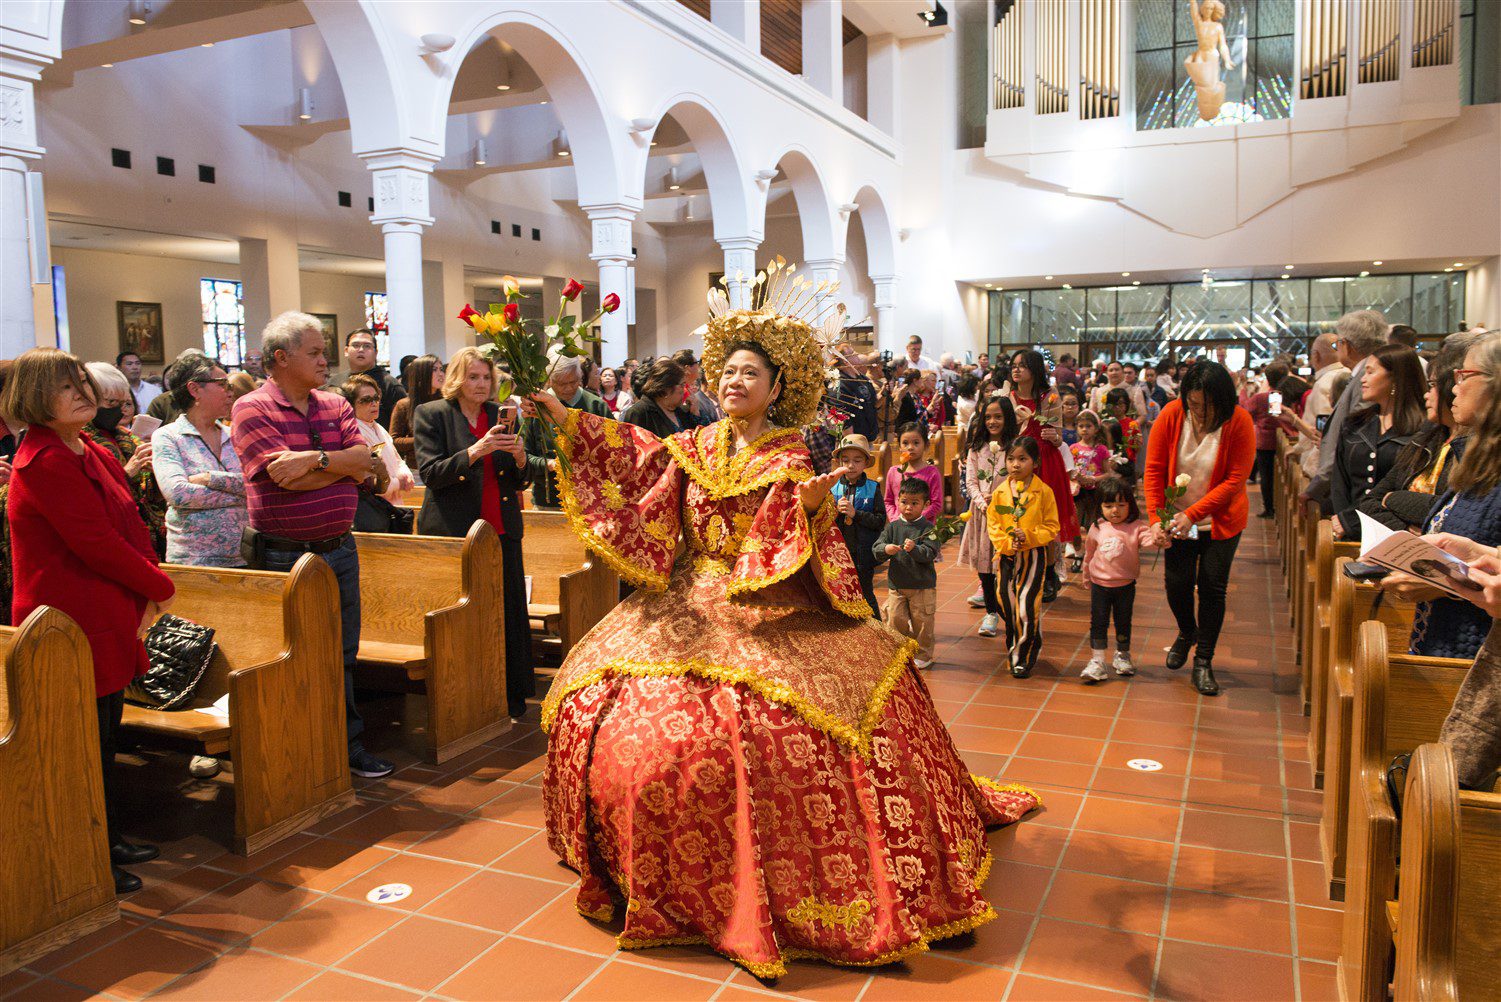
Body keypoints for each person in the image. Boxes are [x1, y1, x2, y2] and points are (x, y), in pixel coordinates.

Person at [528, 301, 1038, 975]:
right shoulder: (691, 445)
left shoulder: (791, 454)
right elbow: (634, 457)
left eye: (750, 373)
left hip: (769, 605)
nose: (735, 382)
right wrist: (565, 419)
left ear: (775, 388)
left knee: (814, 725)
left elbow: (802, 538)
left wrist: (810, 508)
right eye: (728, 371)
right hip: (683, 601)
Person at [5, 348, 177, 895]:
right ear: (34, 398)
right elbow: (93, 543)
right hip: (66, 618)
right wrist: (158, 584)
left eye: (81, 381)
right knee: (79, 742)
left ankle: (109, 837)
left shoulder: (91, 449)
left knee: (105, 734)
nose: (82, 392)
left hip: (105, 611)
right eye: (65, 386)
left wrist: (145, 577)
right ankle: (88, 852)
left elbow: (127, 520)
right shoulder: (45, 461)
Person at [230, 311, 391, 779]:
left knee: (342, 652)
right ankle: (298, 754)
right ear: (281, 358)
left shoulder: (334, 405)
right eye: (316, 352)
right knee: (292, 656)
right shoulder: (252, 409)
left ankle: (347, 747)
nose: (326, 360)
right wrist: (340, 465)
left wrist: (316, 459)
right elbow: (285, 482)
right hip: (284, 552)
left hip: (339, 547)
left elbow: (364, 461)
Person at [412, 346, 534, 721]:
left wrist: (519, 458)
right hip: (457, 530)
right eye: (473, 377)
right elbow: (431, 474)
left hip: (501, 526)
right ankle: (468, 697)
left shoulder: (500, 415)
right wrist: (475, 451)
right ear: (456, 380)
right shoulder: (432, 414)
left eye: (487, 378)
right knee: (465, 617)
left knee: (509, 612)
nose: (481, 385)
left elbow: (520, 479)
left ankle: (513, 697)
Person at [1378, 332, 1501, 662]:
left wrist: (1449, 585)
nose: (1454, 387)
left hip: (1478, 655)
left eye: (1464, 375)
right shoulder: (1475, 459)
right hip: (1446, 639)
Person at [1144, 360, 1255, 696]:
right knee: (1177, 583)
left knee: (1211, 586)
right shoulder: (1171, 415)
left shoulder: (1239, 421)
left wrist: (1194, 514)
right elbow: (1153, 471)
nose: (1200, 412)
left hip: (1218, 521)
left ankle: (1204, 660)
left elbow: (1236, 479)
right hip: (1177, 519)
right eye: (1193, 404)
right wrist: (1156, 520)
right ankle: (1186, 631)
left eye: (1207, 406)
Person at [1337, 332, 1475, 536]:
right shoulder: (1427, 438)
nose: (1427, 394)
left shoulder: (1475, 447)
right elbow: (1371, 501)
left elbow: (1457, 511)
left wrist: (1393, 499)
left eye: (1433, 385)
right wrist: (1404, 530)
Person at [151, 353, 246, 566]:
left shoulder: (232, 435)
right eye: (223, 384)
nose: (231, 392)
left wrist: (208, 478)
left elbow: (255, 485)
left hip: (243, 557)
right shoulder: (168, 437)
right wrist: (241, 493)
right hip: (193, 560)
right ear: (194, 389)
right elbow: (179, 494)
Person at [1329, 344, 1426, 536]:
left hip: (1398, 533)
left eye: (1370, 372)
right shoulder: (1355, 423)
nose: (1363, 380)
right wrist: (1344, 519)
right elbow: (1340, 482)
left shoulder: (1423, 430)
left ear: (1396, 378)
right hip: (1348, 529)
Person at [1004, 350, 1077, 601]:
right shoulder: (1007, 396)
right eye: (1014, 365)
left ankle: (1048, 574)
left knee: (1044, 519)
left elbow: (1057, 435)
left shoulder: (1050, 396)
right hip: (1015, 462)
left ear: (1034, 370)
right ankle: (1020, 570)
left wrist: (1049, 432)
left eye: (1022, 366)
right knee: (1018, 518)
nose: (1016, 370)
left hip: (1044, 461)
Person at [988, 436, 1060, 679]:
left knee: (1027, 605)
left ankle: (1023, 656)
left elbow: (1051, 526)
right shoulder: (1000, 492)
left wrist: (1028, 536)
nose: (1015, 465)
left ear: (1035, 462)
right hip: (1007, 554)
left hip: (1033, 555)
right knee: (1002, 599)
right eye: (1011, 459)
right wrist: (1008, 542)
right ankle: (1026, 632)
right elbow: (994, 524)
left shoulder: (1043, 492)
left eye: (1022, 459)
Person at [1079, 476, 1161, 684]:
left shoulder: (1137, 527)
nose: (1115, 510)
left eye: (1121, 505)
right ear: (1100, 507)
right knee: (1098, 622)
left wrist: (1161, 538)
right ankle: (1097, 661)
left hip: (1125, 586)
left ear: (1130, 505)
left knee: (1123, 621)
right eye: (1108, 505)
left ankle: (1122, 655)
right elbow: (1089, 553)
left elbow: (1150, 541)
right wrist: (1087, 574)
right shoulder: (1097, 527)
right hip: (1100, 585)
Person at [84, 362, 167, 558]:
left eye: (123, 403)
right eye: (111, 403)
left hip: (147, 531)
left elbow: (153, 492)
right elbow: (89, 496)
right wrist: (127, 473)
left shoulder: (127, 436)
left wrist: (154, 471)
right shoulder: (80, 441)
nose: (120, 411)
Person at [1308, 310, 1389, 506]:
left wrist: (1316, 488)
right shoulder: (1361, 373)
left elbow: (1354, 435)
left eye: (1338, 344)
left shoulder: (1366, 378)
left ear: (1348, 346)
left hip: (1354, 489)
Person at [958, 395, 1018, 638]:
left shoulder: (1014, 446)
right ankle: (991, 612)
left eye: (998, 417)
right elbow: (971, 481)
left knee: (1004, 564)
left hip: (1006, 513)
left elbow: (1017, 476)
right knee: (984, 564)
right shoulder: (976, 448)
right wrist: (983, 503)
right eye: (988, 417)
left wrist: (1003, 499)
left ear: (1007, 419)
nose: (993, 421)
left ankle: (1011, 610)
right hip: (982, 512)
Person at [520, 356, 610, 509]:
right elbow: (523, 457)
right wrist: (548, 464)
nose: (569, 388)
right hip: (548, 502)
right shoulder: (534, 410)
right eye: (562, 383)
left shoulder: (596, 406)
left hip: (593, 503)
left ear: (581, 376)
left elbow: (611, 452)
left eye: (574, 382)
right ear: (549, 380)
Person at [872, 477, 940, 669]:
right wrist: (886, 549)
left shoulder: (928, 528)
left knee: (923, 622)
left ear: (925, 504)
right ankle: (900, 650)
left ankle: (924, 654)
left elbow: (930, 552)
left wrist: (915, 549)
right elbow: (877, 547)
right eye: (904, 502)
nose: (908, 507)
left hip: (922, 586)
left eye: (914, 503)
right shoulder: (893, 527)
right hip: (897, 584)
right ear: (897, 501)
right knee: (895, 619)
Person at [341, 374, 415, 534]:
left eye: (376, 398)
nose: (374, 403)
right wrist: (398, 483)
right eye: (366, 400)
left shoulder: (377, 426)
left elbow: (396, 458)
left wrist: (405, 472)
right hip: (374, 511)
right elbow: (367, 481)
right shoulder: (354, 433)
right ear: (351, 405)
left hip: (393, 506)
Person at [829, 434, 885, 618]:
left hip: (863, 553)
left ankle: (879, 633)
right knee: (841, 594)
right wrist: (835, 512)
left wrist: (856, 514)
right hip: (840, 553)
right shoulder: (832, 488)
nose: (851, 465)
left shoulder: (872, 488)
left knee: (866, 593)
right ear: (838, 462)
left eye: (857, 460)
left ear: (866, 463)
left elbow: (879, 521)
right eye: (845, 460)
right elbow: (825, 523)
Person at [332, 328, 406, 428]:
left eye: (367, 346)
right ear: (346, 350)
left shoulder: (390, 385)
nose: (361, 350)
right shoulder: (334, 382)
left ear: (376, 353)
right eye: (355, 345)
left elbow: (402, 425)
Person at [1245, 360, 1291, 519]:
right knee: (1276, 477)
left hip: (1265, 439)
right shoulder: (1289, 393)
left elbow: (1247, 411)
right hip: (1284, 436)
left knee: (1267, 476)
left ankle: (1269, 508)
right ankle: (1275, 506)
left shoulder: (1263, 397)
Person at [388, 354, 444, 470]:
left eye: (441, 369)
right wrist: (423, 438)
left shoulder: (448, 402)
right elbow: (394, 440)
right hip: (417, 468)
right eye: (434, 370)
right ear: (421, 374)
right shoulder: (404, 405)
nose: (441, 374)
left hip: (445, 465)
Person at [883, 421, 942, 522]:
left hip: (923, 527)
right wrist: (895, 519)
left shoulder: (932, 472)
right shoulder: (894, 472)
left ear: (926, 445)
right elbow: (888, 501)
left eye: (916, 443)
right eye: (905, 443)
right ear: (899, 446)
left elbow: (936, 504)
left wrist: (916, 518)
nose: (910, 447)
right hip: (899, 526)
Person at [620, 356, 686, 439]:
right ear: (667, 388)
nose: (684, 389)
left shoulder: (681, 411)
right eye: (682, 385)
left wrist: (696, 413)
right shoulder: (639, 413)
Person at [1071, 409, 1111, 535]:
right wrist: (1075, 478)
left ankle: (1093, 547)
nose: (1084, 429)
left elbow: (1108, 473)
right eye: (1081, 426)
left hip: (1095, 491)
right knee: (1075, 519)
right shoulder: (1073, 448)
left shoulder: (1101, 449)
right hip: (1078, 490)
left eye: (1088, 426)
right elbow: (1069, 470)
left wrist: (1093, 479)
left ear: (1096, 428)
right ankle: (1075, 548)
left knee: (1093, 522)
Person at [671, 349, 721, 429]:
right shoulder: (680, 391)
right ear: (687, 368)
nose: (698, 366)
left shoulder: (686, 388)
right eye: (696, 363)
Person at [117, 350, 161, 415]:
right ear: (119, 368)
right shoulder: (116, 391)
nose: (135, 367)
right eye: (129, 364)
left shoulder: (155, 390)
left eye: (137, 363)